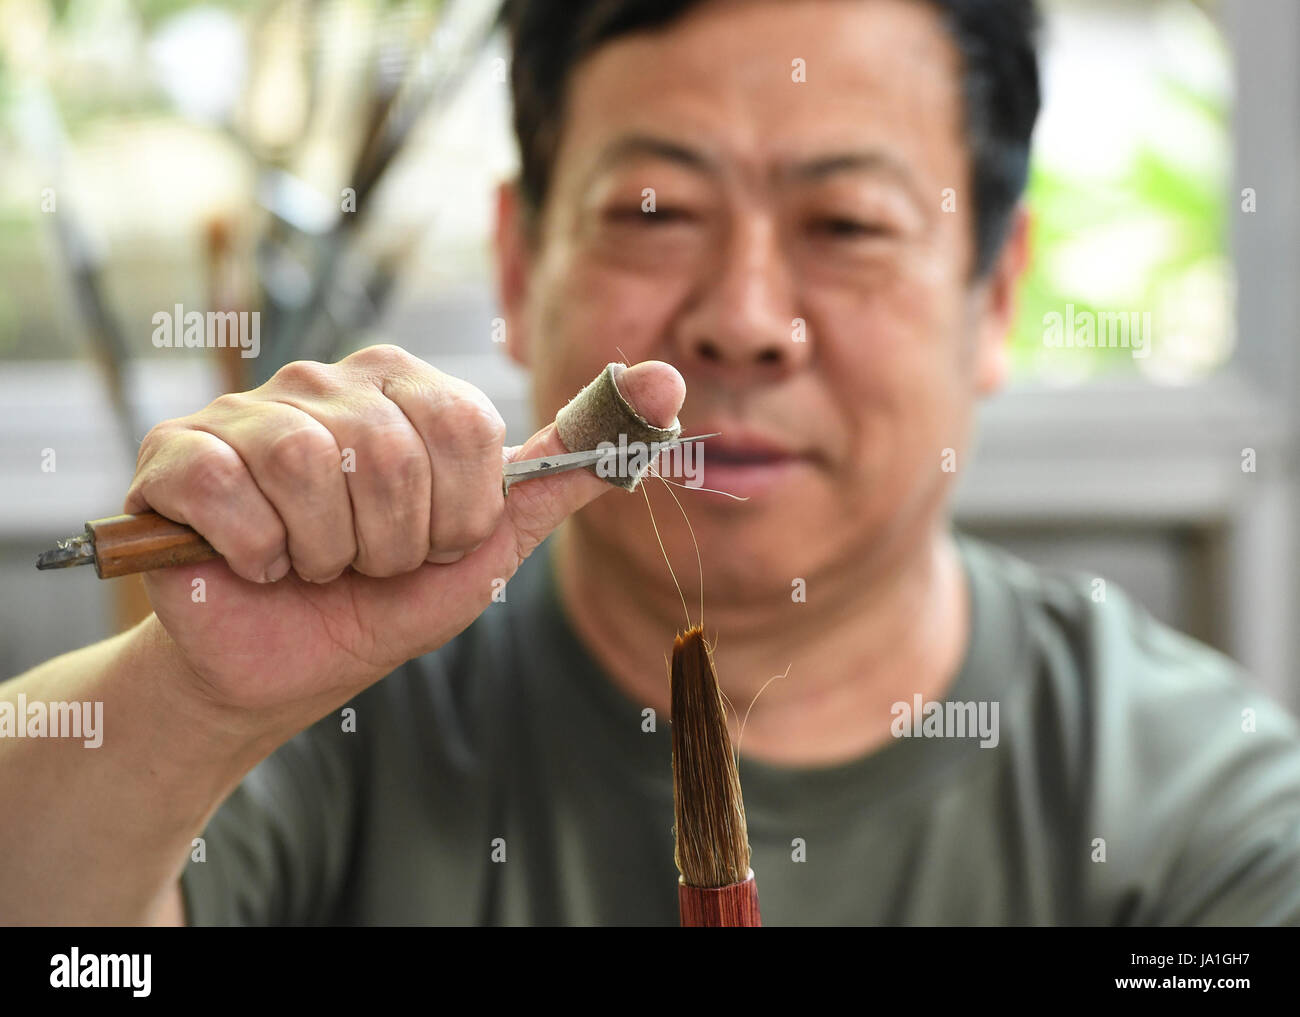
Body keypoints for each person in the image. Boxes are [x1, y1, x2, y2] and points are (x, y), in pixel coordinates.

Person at [4, 0, 1299, 926]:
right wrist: (189, 705)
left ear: (997, 297)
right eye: (654, 213)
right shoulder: (321, 723)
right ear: (518, 264)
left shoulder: (1200, 808)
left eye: (847, 223)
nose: (742, 316)